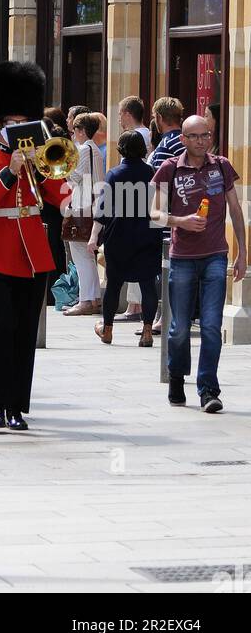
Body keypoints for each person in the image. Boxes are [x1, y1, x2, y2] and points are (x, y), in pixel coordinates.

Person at [0, 61, 67, 431]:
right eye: (10, 122)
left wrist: (47, 171)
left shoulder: (41, 158)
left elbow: (60, 196)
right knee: (0, 328)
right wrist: (9, 170)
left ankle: (17, 406)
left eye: (23, 120)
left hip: (33, 256)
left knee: (24, 334)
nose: (17, 127)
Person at [150, 114, 247, 413]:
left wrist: (243, 252)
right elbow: (154, 214)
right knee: (178, 328)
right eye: (194, 136)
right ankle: (177, 376)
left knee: (211, 326)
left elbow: (235, 209)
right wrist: (180, 221)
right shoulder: (169, 169)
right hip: (182, 259)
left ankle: (208, 390)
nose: (201, 141)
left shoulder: (221, 166)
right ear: (183, 139)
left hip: (216, 256)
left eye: (206, 135)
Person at [92, 131, 160, 346]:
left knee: (114, 285)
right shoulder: (152, 173)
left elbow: (103, 209)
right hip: (148, 235)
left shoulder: (114, 174)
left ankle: (108, 330)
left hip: (119, 236)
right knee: (148, 285)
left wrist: (94, 237)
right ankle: (147, 331)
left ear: (121, 148)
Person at [61, 112, 106, 316]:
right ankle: (92, 298)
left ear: (80, 131)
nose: (73, 134)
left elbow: (76, 176)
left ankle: (86, 300)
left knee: (81, 254)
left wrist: (62, 165)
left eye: (75, 130)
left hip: (83, 204)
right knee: (86, 254)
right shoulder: (93, 148)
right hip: (90, 203)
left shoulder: (85, 148)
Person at [147, 97, 184, 166]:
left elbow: (160, 176)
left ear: (159, 117)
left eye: (155, 117)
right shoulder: (188, 139)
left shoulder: (165, 146)